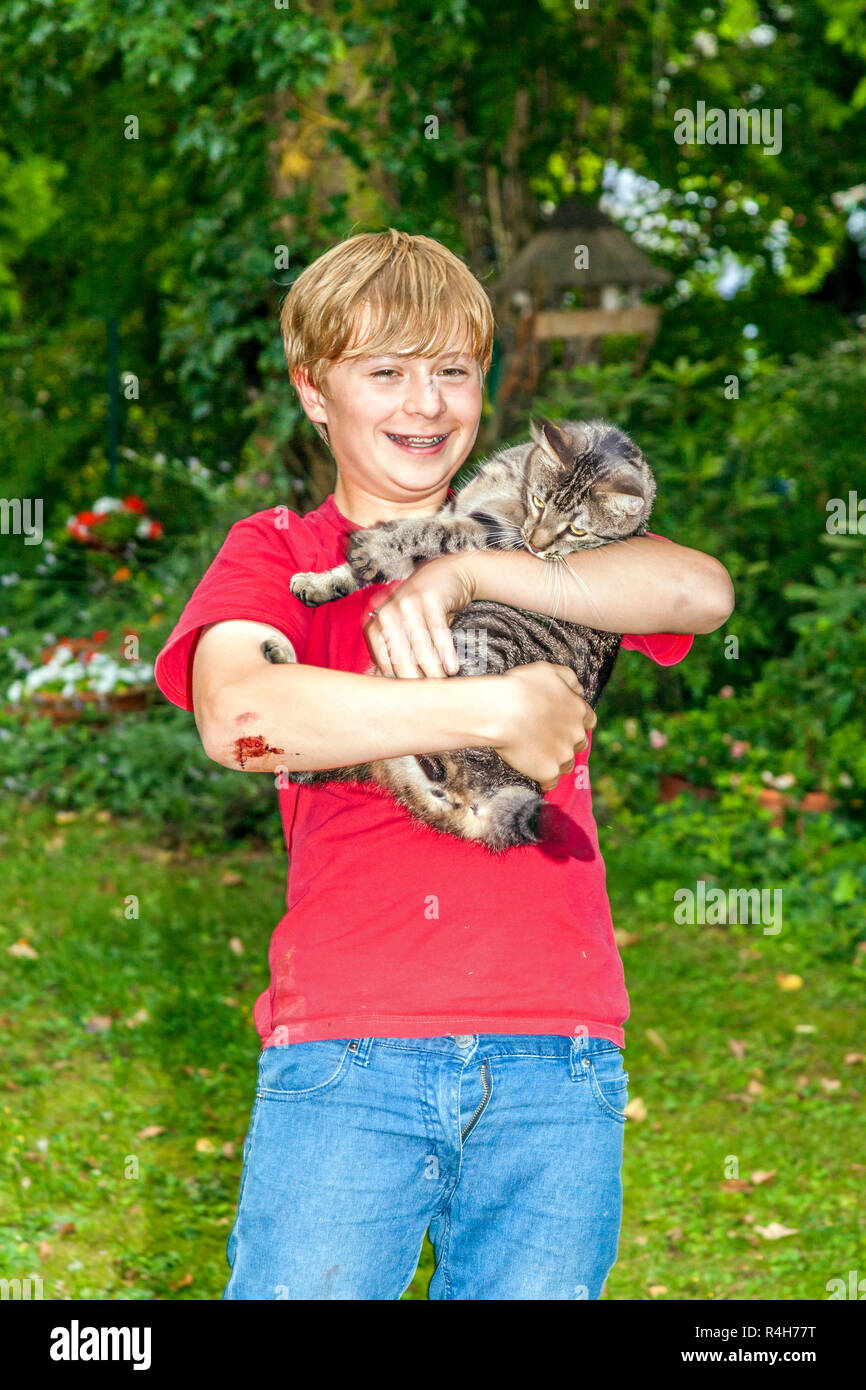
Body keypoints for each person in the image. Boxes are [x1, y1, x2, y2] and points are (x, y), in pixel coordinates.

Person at [154, 229, 734, 1300]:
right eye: (383, 372)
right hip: (346, 1052)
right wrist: (490, 705)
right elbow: (238, 711)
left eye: (451, 371)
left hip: (558, 1055)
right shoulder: (282, 552)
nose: (423, 403)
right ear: (314, 390)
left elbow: (698, 592)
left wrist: (469, 567)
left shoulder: (535, 551)